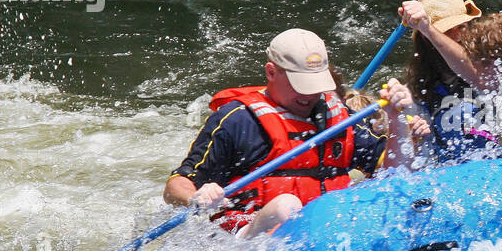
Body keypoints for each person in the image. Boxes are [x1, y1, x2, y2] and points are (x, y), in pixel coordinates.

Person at [164, 29, 384, 237]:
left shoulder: (337, 115)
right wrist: (196, 196)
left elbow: (392, 168)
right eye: (301, 84)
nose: (310, 94)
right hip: (251, 238)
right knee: (284, 207)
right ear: (271, 72)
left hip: (323, 231)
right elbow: (175, 187)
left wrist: (399, 120)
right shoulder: (237, 120)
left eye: (315, 83)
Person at [380, 0, 502, 167]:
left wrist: (427, 28)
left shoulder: (490, 67)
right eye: (449, 30)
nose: (458, 37)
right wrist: (415, 138)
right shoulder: (417, 93)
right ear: (426, 39)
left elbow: (472, 72)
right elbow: (411, 164)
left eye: (463, 27)